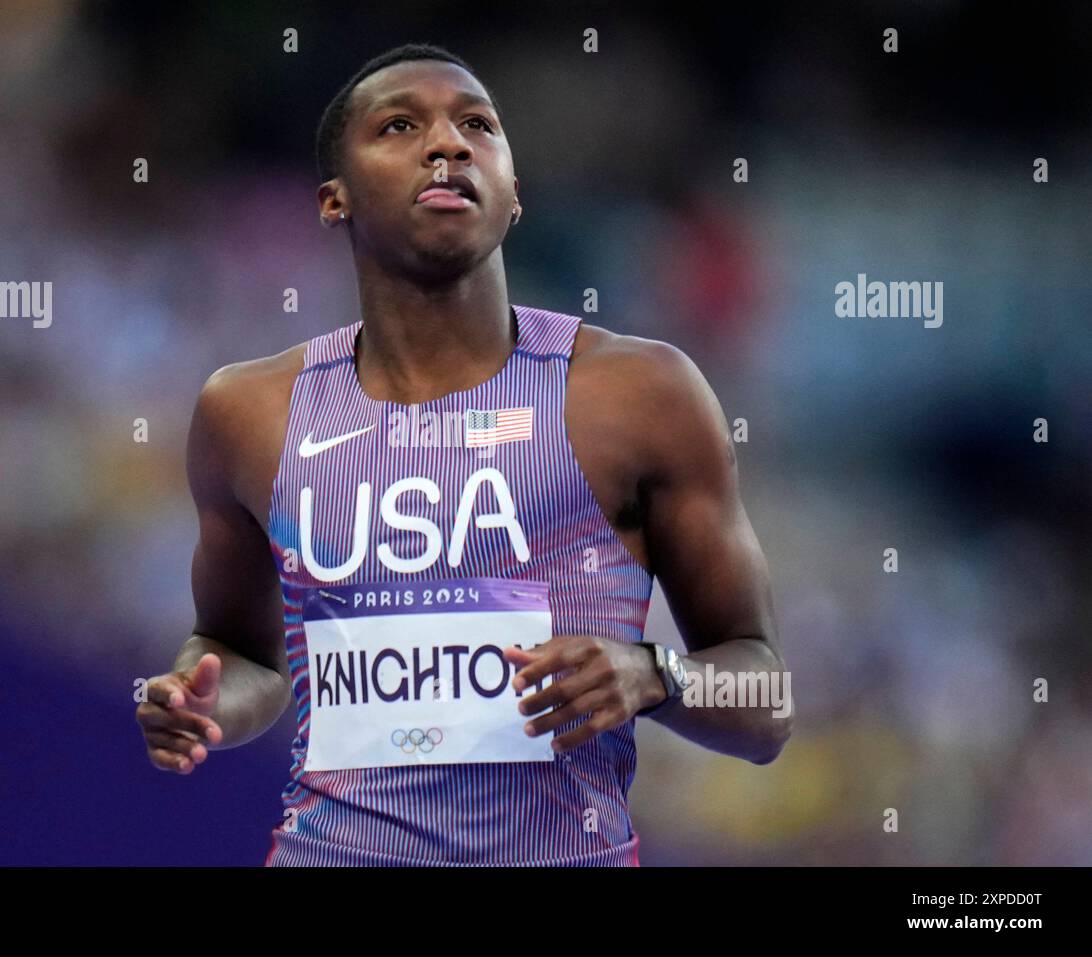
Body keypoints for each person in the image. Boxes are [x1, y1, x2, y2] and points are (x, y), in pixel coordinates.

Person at [135, 43, 791, 866]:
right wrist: (201, 701)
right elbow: (242, 654)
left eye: (477, 125)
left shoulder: (639, 394)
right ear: (334, 200)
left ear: (514, 193)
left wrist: (656, 672)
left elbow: (768, 696)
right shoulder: (249, 413)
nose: (448, 144)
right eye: (401, 125)